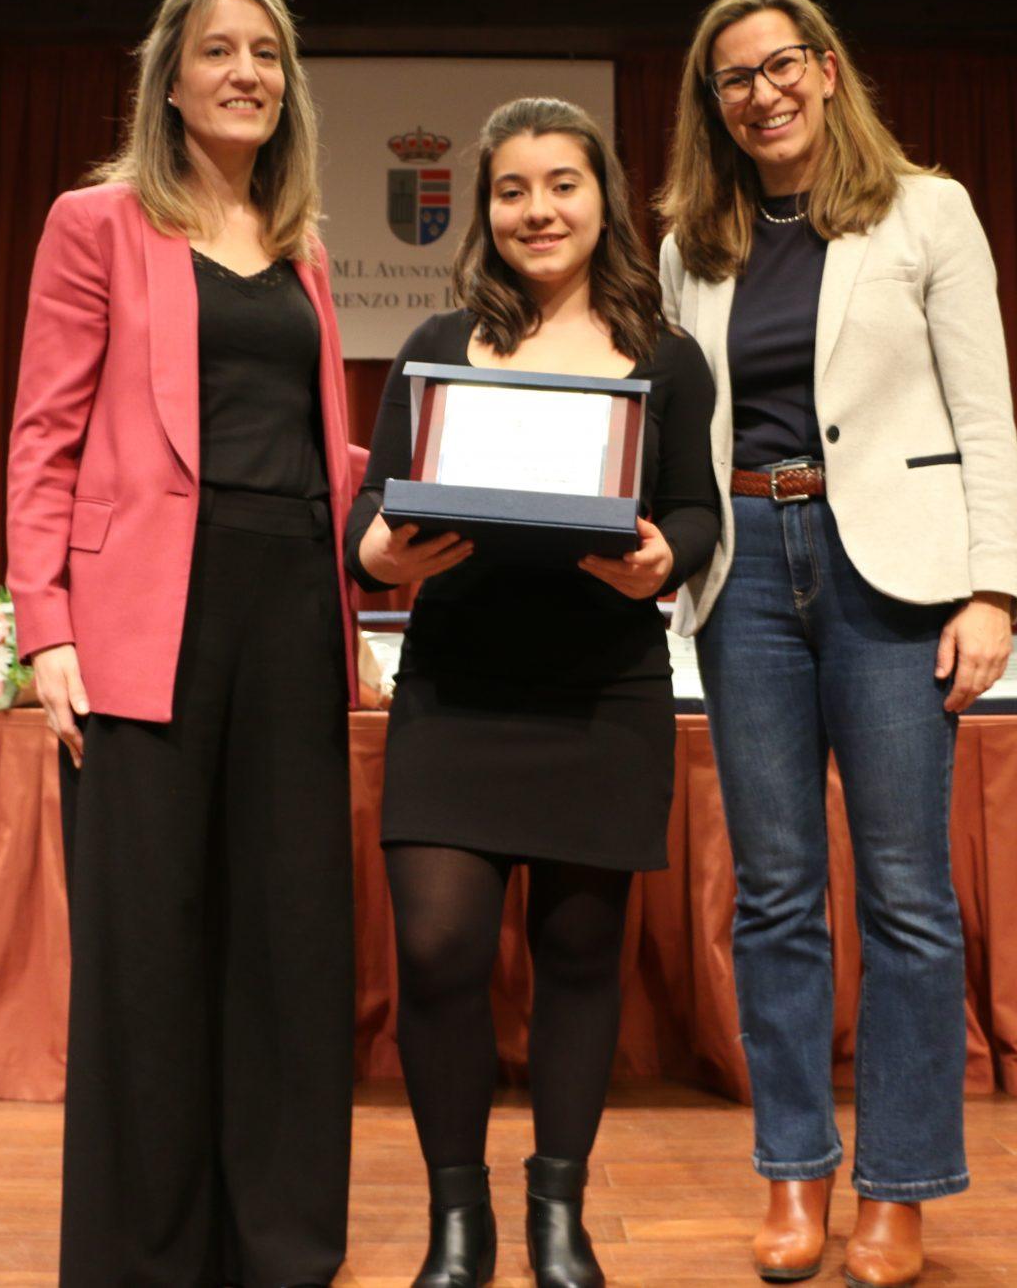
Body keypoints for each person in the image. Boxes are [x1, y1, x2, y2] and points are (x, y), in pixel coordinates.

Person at [656, 0, 1017, 1288]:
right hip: (746, 571)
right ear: (715, 104)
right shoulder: (690, 243)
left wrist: (994, 590)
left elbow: (984, 413)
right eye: (731, 80)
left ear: (824, 69)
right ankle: (795, 1173)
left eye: (777, 67)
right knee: (774, 897)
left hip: (894, 578)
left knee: (909, 896)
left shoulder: (929, 209)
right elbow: (679, 432)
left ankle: (902, 1188)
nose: (760, 94)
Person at [5, 0, 359, 1287]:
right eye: (220, 49)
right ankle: (142, 1252)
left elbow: (321, 454)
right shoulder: (95, 224)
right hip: (145, 617)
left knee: (286, 936)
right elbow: (42, 438)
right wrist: (48, 628)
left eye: (267, 54)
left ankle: (277, 1241)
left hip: (290, 612)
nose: (248, 73)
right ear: (170, 74)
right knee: (147, 945)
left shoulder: (306, 251)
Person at [344, 96, 720, 1288]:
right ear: (484, 208)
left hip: (599, 690)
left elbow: (699, 509)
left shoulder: (664, 354)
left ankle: (557, 1212)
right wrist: (378, 558)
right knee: (443, 950)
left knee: (576, 955)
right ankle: (458, 1221)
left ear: (603, 196)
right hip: (454, 686)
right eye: (512, 189)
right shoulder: (437, 346)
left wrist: (673, 554)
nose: (537, 209)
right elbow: (370, 512)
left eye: (561, 183)